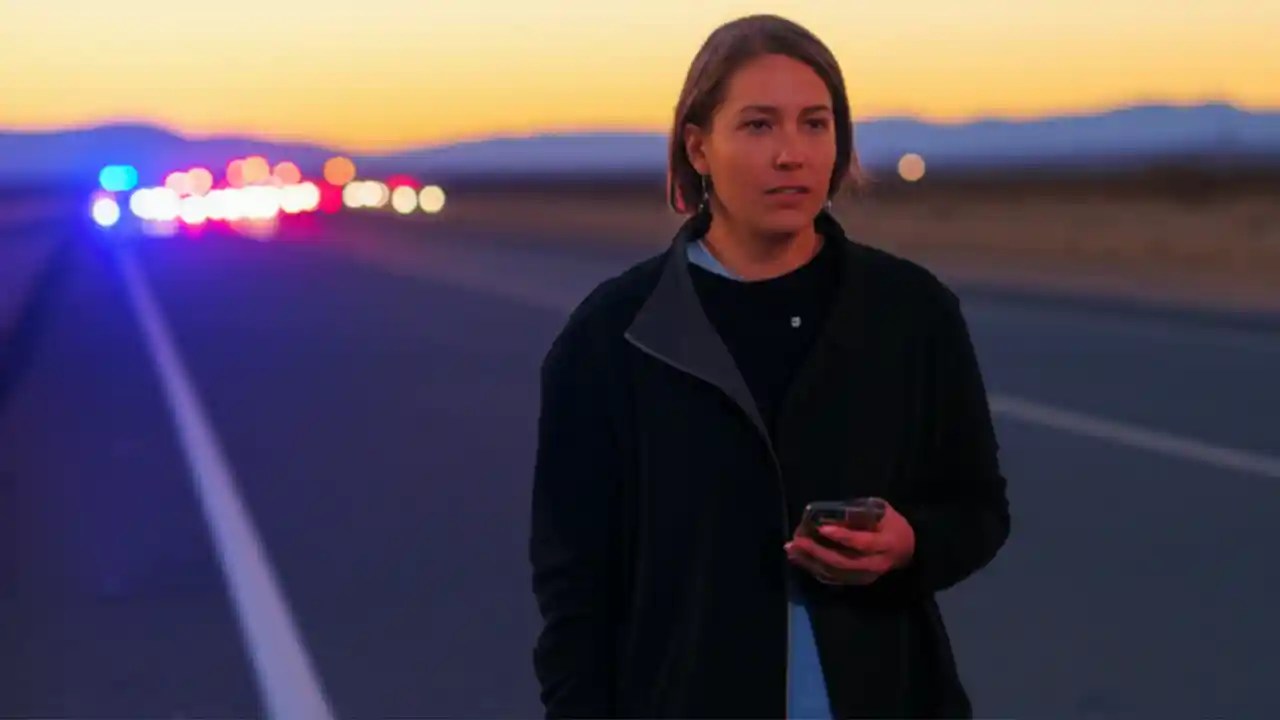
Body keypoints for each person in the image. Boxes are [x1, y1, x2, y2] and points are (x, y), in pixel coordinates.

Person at [529, 13, 1011, 719]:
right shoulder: (615, 335)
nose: (793, 154)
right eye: (759, 126)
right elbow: (573, 590)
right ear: (699, 146)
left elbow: (978, 510)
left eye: (815, 124)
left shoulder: (910, 312)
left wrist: (910, 543)